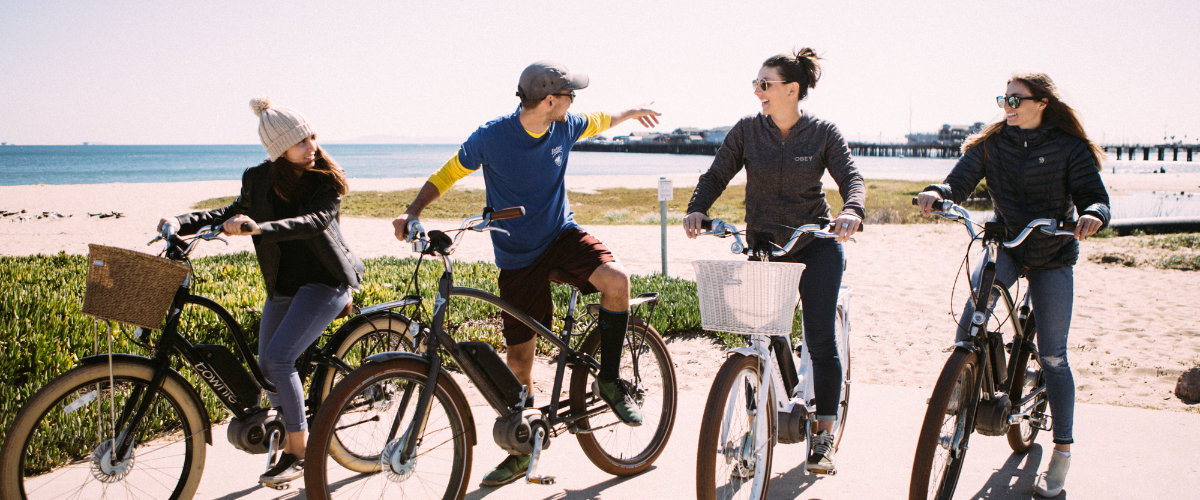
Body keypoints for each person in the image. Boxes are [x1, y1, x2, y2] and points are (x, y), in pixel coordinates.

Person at [392, 60, 662, 487]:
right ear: (550, 100)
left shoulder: (566, 125)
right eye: (570, 94)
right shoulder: (493, 137)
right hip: (517, 256)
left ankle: (609, 381)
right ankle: (524, 447)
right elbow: (448, 173)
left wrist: (631, 113)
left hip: (562, 234)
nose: (575, 102)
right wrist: (412, 211)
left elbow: (601, 120)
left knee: (617, 282)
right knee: (519, 360)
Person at [915, 73, 1110, 497]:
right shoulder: (992, 143)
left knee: (1055, 356)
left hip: (1053, 253)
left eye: (1016, 98)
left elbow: (1093, 194)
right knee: (974, 312)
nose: (1007, 104)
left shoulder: (1068, 147)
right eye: (1003, 98)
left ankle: (1061, 452)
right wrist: (939, 192)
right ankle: (961, 387)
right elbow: (959, 180)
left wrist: (1093, 213)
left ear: (1041, 103)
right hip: (1007, 243)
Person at [160, 98, 364, 487]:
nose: (312, 146)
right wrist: (180, 220)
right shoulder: (258, 179)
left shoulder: (325, 181)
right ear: (278, 150)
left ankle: (300, 451)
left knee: (280, 359)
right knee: (266, 365)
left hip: (326, 281)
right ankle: (288, 426)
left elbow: (314, 223)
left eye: (311, 136)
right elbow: (227, 211)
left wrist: (258, 229)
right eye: (300, 141)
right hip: (284, 287)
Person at [683, 48, 865, 474]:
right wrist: (698, 209)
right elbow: (715, 175)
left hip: (815, 243)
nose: (757, 91)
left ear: (791, 89)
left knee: (820, 338)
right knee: (758, 336)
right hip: (764, 243)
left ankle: (822, 435)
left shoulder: (822, 132)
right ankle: (755, 429)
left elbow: (850, 178)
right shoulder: (747, 131)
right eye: (756, 84)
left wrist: (852, 210)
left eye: (764, 84)